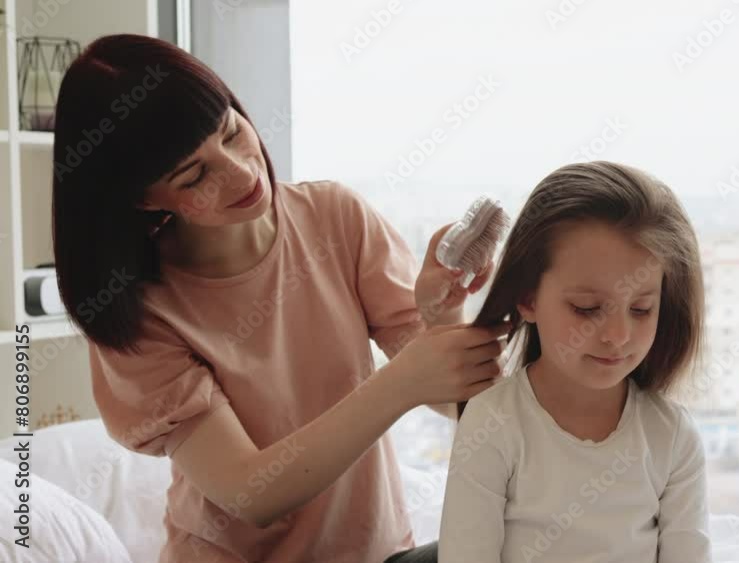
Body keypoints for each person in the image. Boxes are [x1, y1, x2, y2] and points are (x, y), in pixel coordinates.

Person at [52, 34, 506, 563]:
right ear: (143, 200)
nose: (242, 171)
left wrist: (442, 314)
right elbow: (251, 492)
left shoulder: (336, 216)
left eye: (230, 132)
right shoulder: (140, 310)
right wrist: (400, 382)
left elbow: (457, 403)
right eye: (194, 174)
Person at [438, 161, 713, 562]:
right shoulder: (492, 423)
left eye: (640, 309)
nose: (617, 335)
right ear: (529, 298)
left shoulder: (673, 437)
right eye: (586, 308)